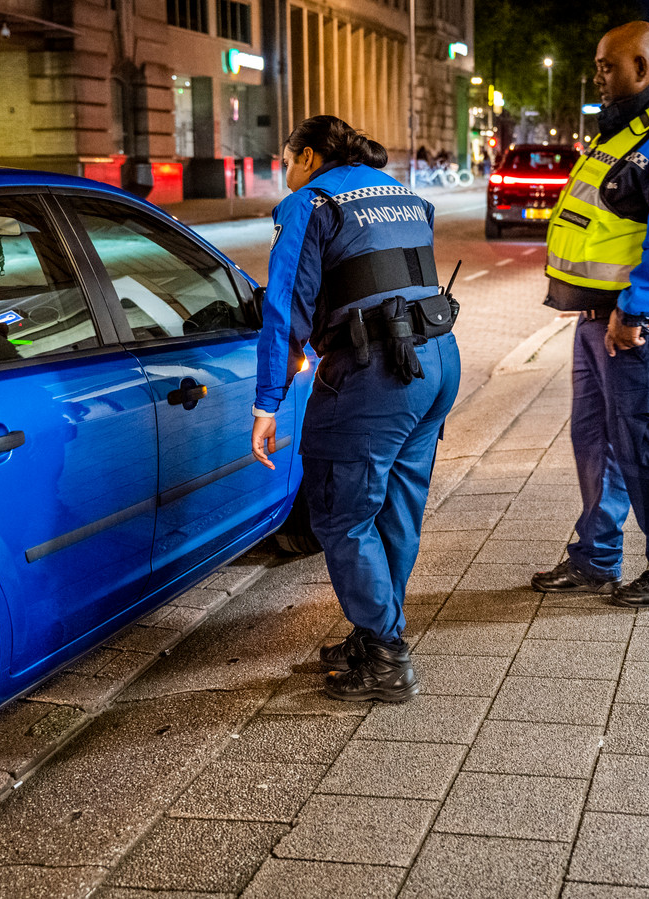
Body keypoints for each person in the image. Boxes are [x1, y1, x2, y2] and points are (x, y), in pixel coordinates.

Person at [251, 115, 460, 701]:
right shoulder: (406, 196)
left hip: (375, 375)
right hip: (436, 362)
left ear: (310, 157)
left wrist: (267, 404)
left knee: (342, 512)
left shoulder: (311, 204)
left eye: (287, 159)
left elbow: (285, 308)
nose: (286, 172)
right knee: (396, 505)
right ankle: (374, 635)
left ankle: (386, 656)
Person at [531, 21, 649, 609]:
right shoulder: (623, 131)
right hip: (597, 318)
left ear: (642, 65)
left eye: (607, 66)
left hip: (639, 320)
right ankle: (595, 557)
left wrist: (634, 312)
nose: (598, 75)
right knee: (597, 441)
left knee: (647, 443)